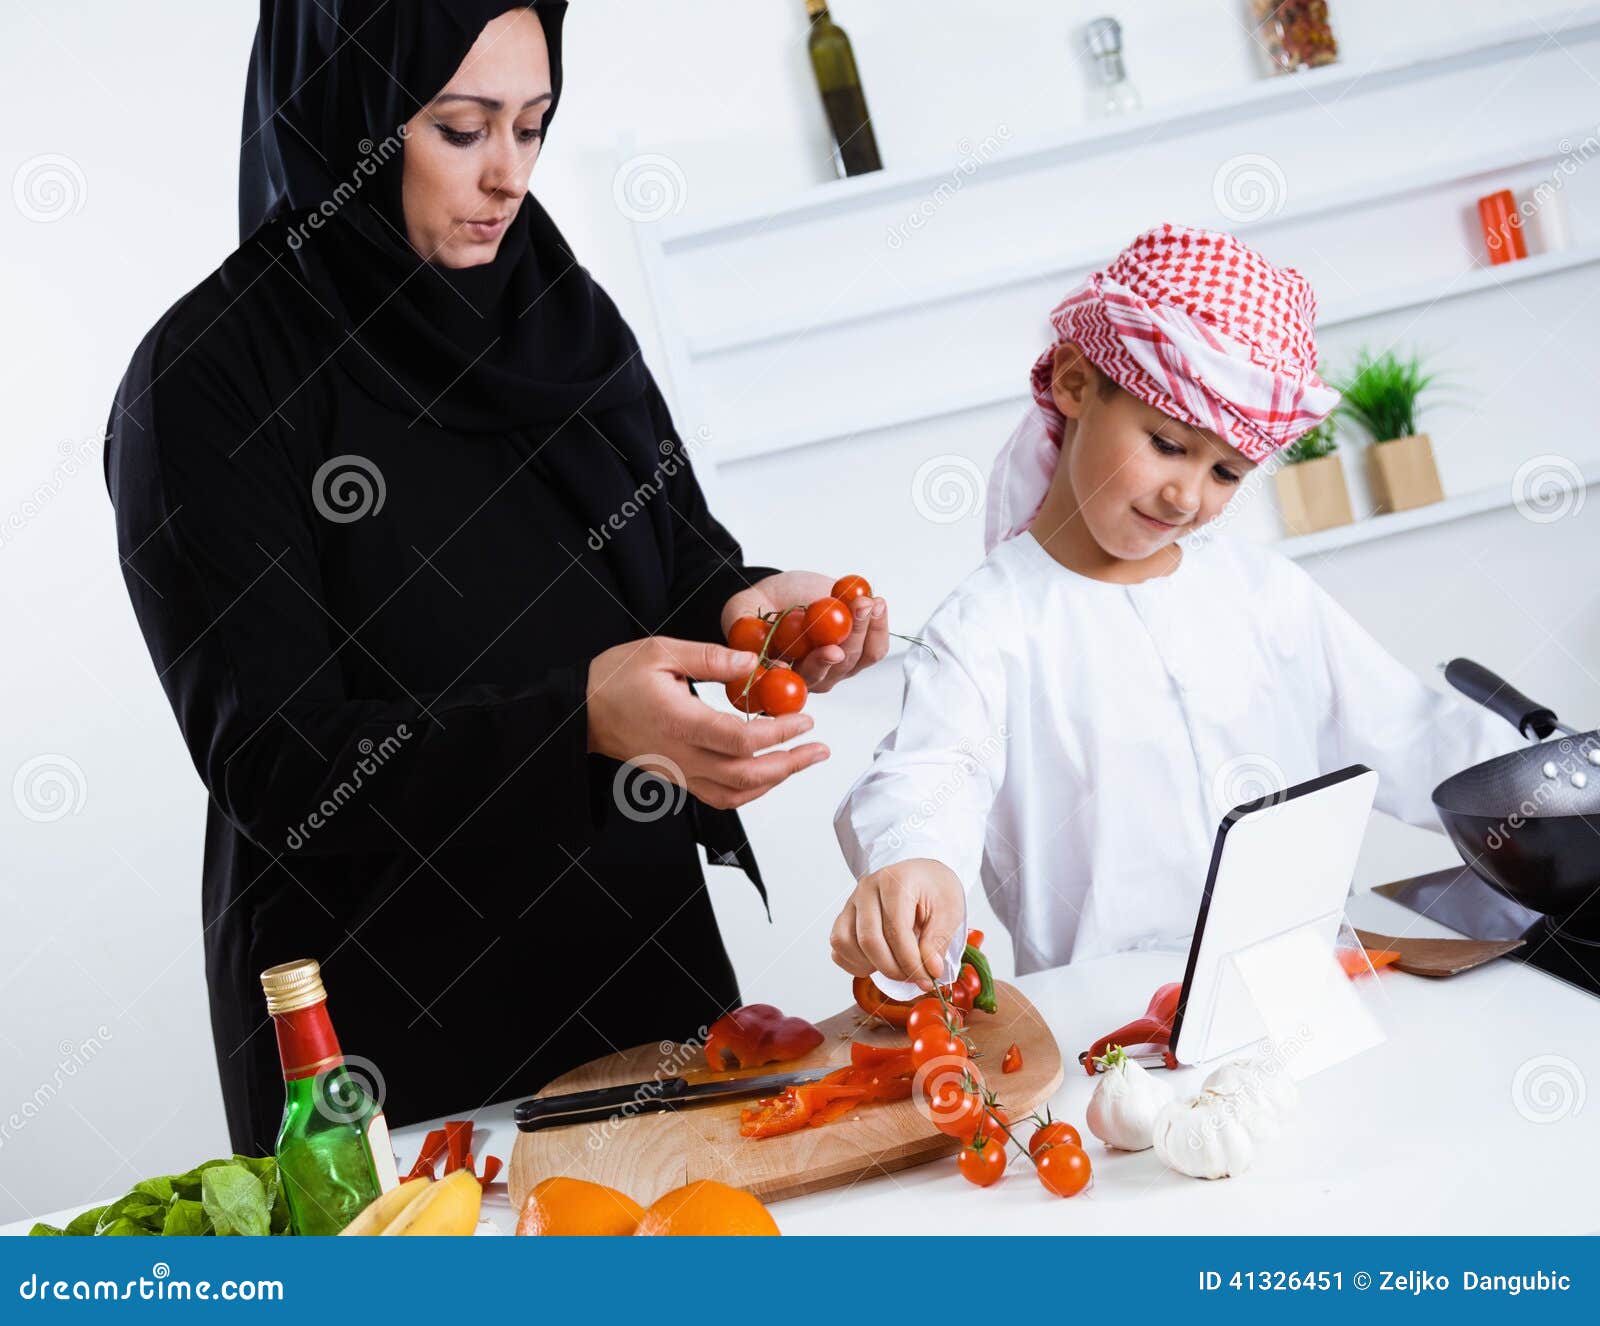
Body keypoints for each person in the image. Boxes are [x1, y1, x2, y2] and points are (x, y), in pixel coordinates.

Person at [105, 0, 887, 1156]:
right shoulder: (210, 379)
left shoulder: (551, 306)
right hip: (386, 1022)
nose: (509, 176)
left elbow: (669, 559)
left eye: (533, 124)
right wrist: (577, 721)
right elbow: (275, 763)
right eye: (462, 130)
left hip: (633, 966)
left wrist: (747, 611)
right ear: (349, 116)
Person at [829, 223, 1526, 986]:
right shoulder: (989, 625)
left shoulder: (1264, 593)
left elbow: (1415, 733)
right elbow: (935, 770)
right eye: (1165, 444)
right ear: (1072, 382)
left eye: (1226, 472)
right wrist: (915, 858)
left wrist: (1551, 798)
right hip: (1113, 1030)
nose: (1187, 495)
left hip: (1312, 988)